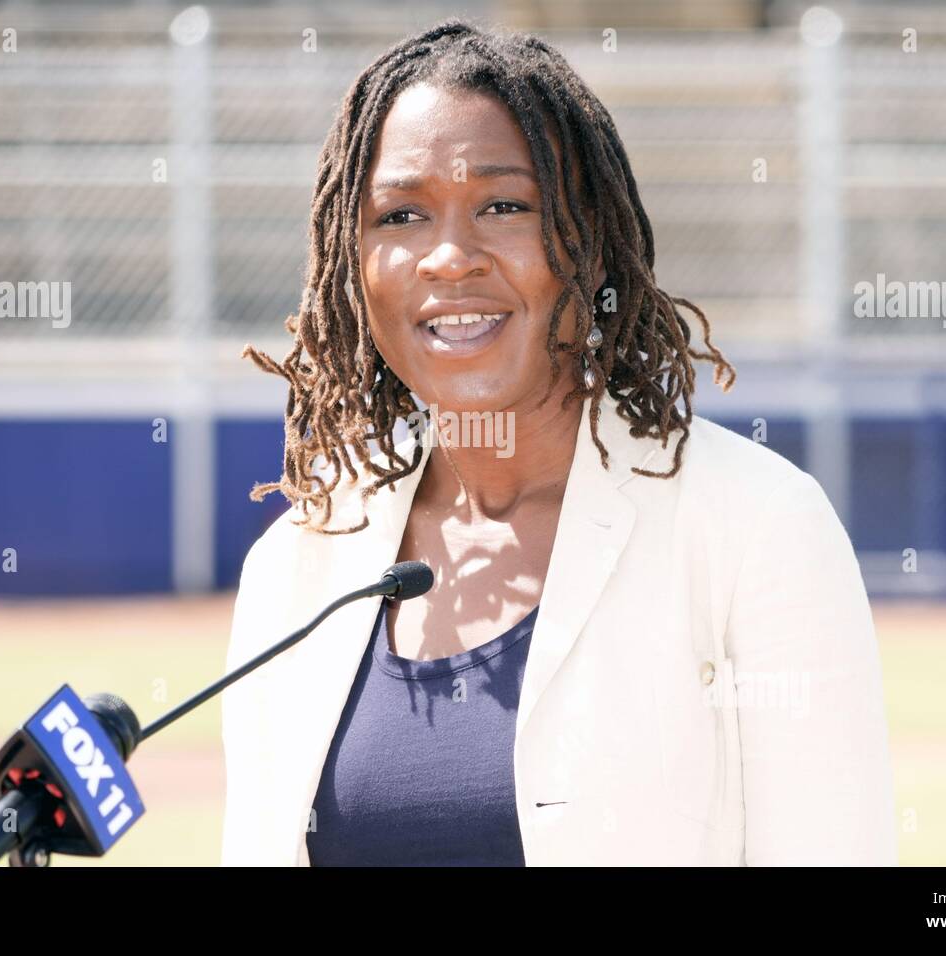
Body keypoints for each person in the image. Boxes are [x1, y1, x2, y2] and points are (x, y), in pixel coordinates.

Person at [221, 19, 896, 866]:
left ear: (593, 243)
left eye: (504, 206)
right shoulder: (298, 565)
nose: (448, 259)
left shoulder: (754, 528)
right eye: (401, 215)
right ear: (352, 267)